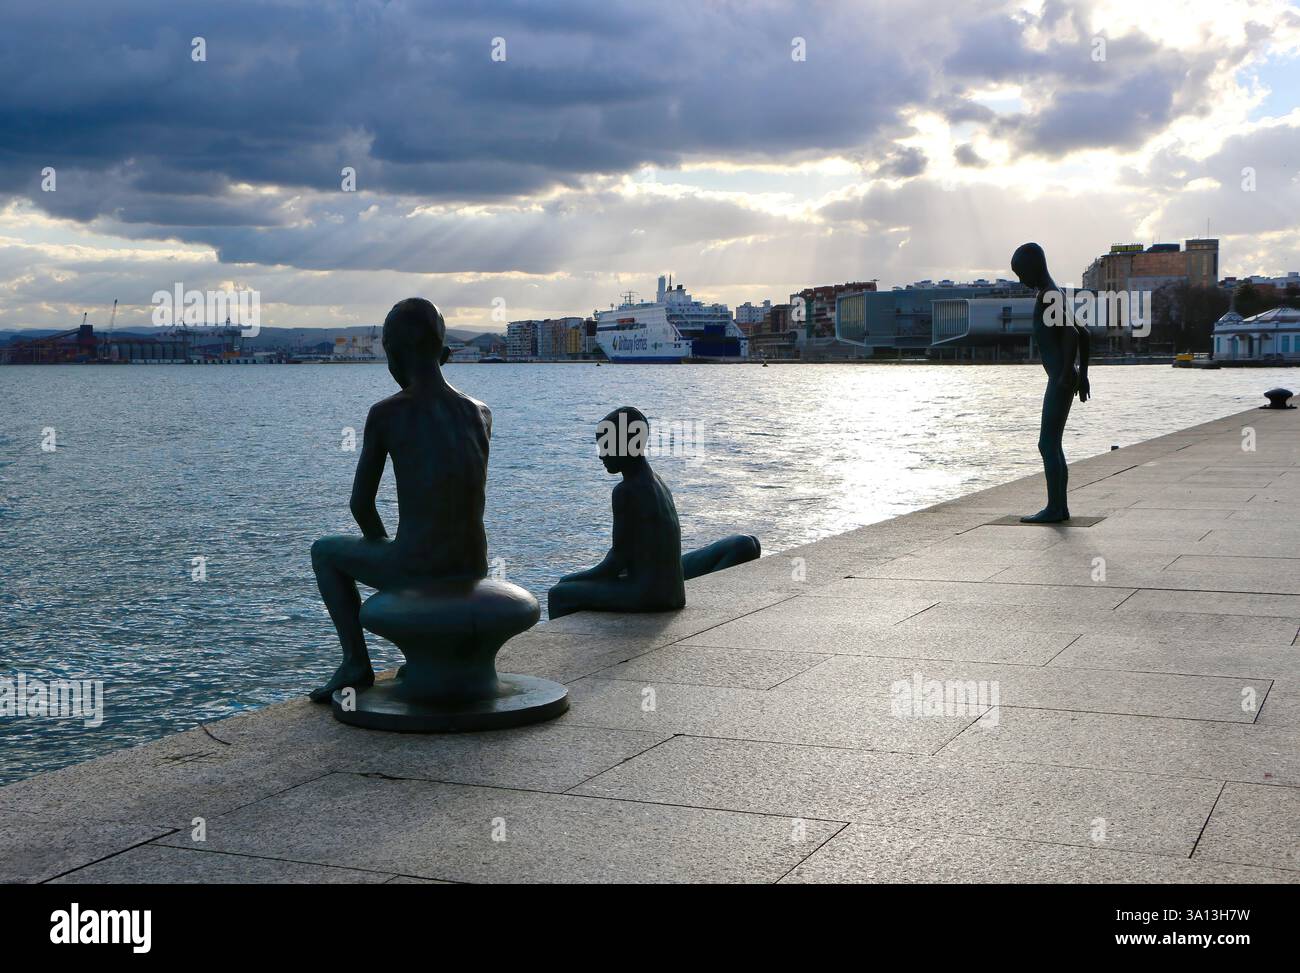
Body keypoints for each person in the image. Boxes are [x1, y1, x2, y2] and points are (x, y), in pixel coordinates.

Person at [308, 298, 491, 702]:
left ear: (393, 351)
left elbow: (361, 504)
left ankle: (356, 662)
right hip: (472, 563)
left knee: (324, 553)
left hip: (421, 565)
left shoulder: (387, 413)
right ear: (441, 351)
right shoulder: (480, 412)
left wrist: (382, 547)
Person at [547, 406, 759, 619]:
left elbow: (615, 563)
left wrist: (571, 578)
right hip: (673, 591)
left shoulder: (625, 491)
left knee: (558, 594)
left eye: (606, 445)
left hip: (649, 596)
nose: (601, 454)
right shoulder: (657, 481)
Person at [1011, 242, 1091, 524]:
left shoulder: (1047, 295)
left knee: (1047, 444)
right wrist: (1083, 374)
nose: (1021, 281)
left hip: (1059, 379)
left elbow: (1071, 334)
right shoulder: (1053, 292)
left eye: (1022, 274)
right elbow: (1084, 334)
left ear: (1033, 269)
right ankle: (1059, 506)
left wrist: (1066, 373)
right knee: (1053, 444)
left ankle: (1055, 508)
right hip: (1064, 377)